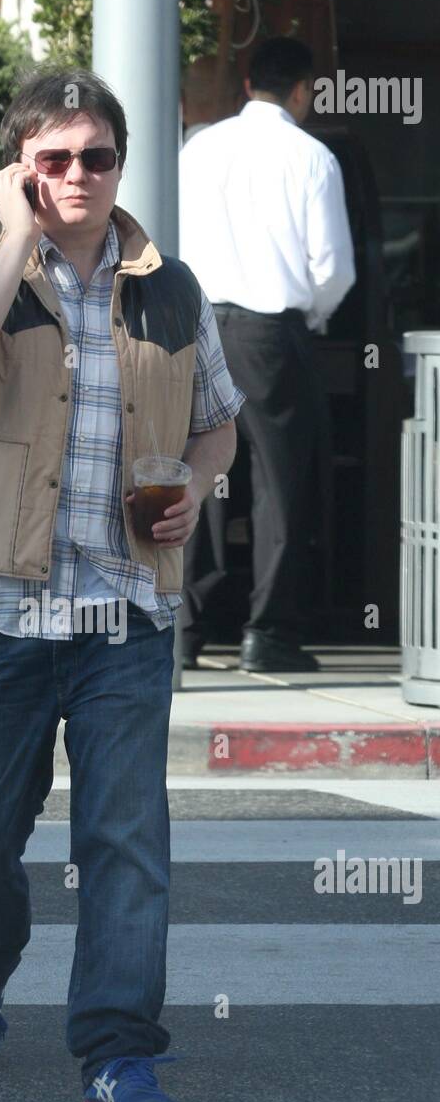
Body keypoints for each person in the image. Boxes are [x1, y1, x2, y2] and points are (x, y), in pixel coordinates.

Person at [0, 67, 243, 1102]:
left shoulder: (172, 289)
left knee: (126, 842)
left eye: (96, 156)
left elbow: (218, 422)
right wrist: (13, 242)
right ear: (20, 170)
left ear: (119, 165)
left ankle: (118, 1051)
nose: (78, 174)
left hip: (124, 613)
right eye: (54, 158)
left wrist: (196, 485)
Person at [179, 36, 356, 672]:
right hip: (271, 336)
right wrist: (312, 315)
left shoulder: (199, 148)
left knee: (199, 477)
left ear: (248, 84)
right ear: (302, 90)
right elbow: (333, 268)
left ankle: (185, 629)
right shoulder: (312, 157)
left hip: (198, 328)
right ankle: (268, 632)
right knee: (280, 485)